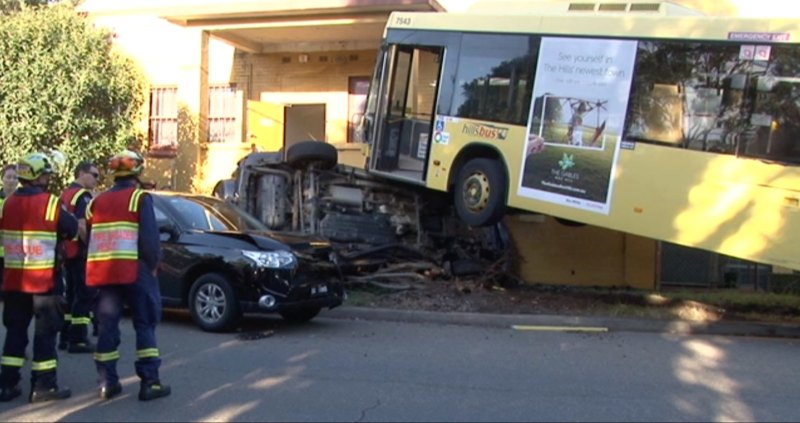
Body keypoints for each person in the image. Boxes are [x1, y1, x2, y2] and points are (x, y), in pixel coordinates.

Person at [85, 149, 170, 401]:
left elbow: (89, 237)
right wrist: (154, 264)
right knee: (145, 323)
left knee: (107, 326)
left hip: (104, 272)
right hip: (135, 271)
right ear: (138, 171)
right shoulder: (139, 199)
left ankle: (106, 383)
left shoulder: (96, 202)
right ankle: (150, 382)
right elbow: (150, 240)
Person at [0, 152, 77, 403]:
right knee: (45, 334)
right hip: (44, 280)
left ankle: (7, 384)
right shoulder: (50, 203)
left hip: (14, 280)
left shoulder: (8, 203)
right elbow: (72, 227)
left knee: (15, 332)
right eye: (45, 174)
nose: (47, 178)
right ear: (36, 176)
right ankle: (43, 386)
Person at [58, 161, 100, 354]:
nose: (97, 179)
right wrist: (92, 247)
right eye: (94, 175)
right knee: (84, 294)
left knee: (72, 295)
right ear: (82, 173)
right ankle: (79, 338)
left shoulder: (66, 193)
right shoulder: (82, 196)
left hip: (67, 251)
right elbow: (82, 226)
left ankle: (65, 336)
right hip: (80, 251)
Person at [0, 164, 19, 296]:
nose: (11, 180)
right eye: (8, 177)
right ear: (2, 179)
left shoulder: (21, 201)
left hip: (14, 254)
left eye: (15, 177)